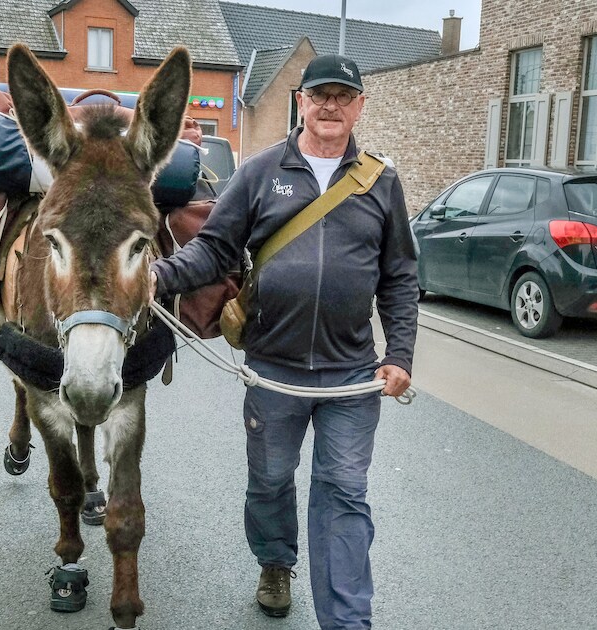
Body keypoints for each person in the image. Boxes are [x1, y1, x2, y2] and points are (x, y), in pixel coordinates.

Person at [149, 54, 418, 629]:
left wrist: (399, 355)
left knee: (343, 496)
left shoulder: (380, 181)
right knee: (270, 480)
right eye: (320, 95)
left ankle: (347, 621)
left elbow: (399, 276)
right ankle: (275, 561)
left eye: (343, 97)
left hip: (352, 375)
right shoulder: (260, 170)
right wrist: (155, 276)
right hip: (273, 368)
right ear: (300, 102)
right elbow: (215, 249)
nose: (331, 106)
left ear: (360, 107)